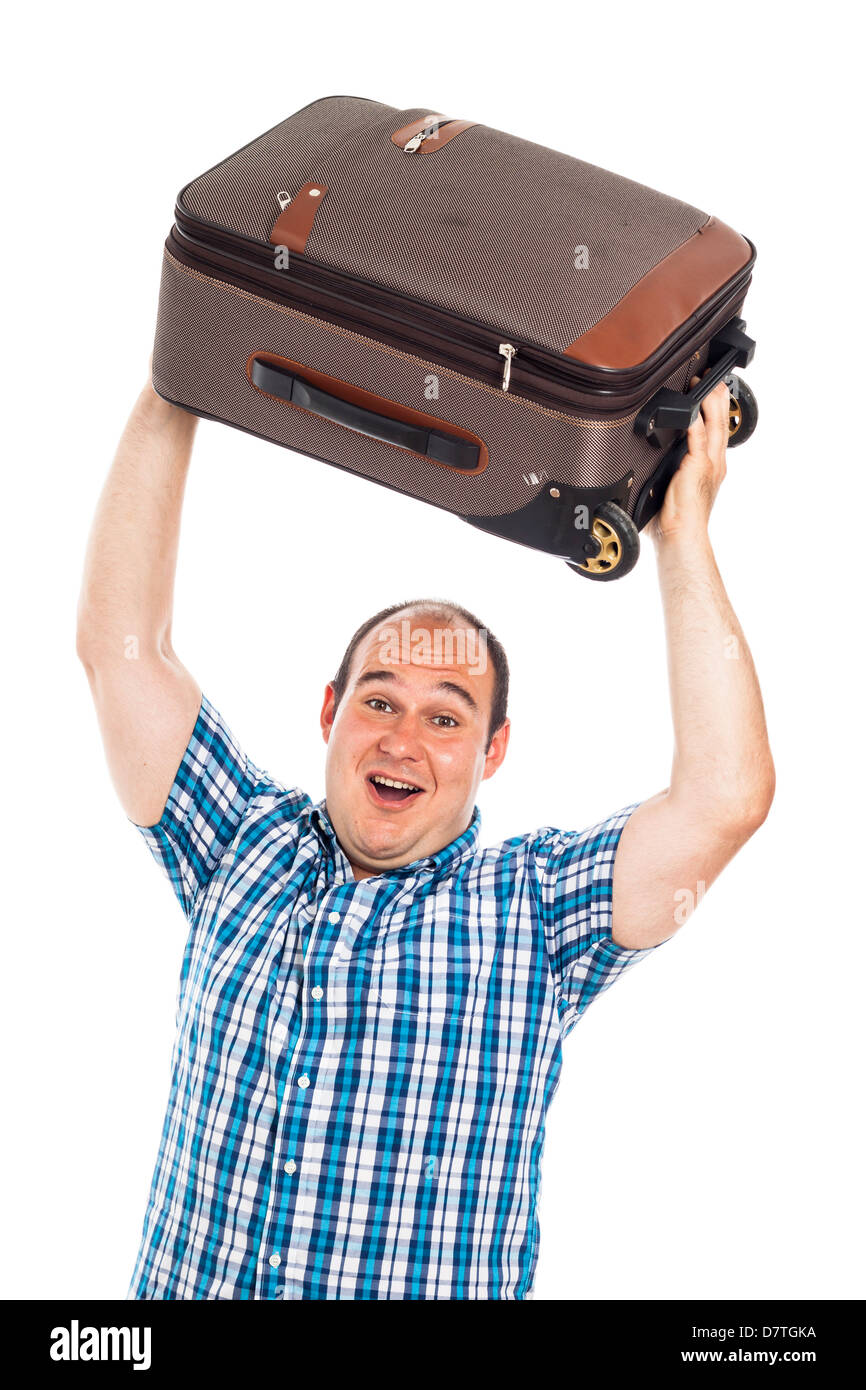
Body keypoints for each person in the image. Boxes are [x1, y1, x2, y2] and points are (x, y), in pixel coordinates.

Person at [76, 371, 775, 1301]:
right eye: (378, 701)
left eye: (447, 719)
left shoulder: (533, 909)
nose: (402, 740)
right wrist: (185, 375)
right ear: (330, 712)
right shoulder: (236, 841)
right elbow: (120, 643)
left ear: (494, 753)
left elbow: (726, 797)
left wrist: (682, 534)